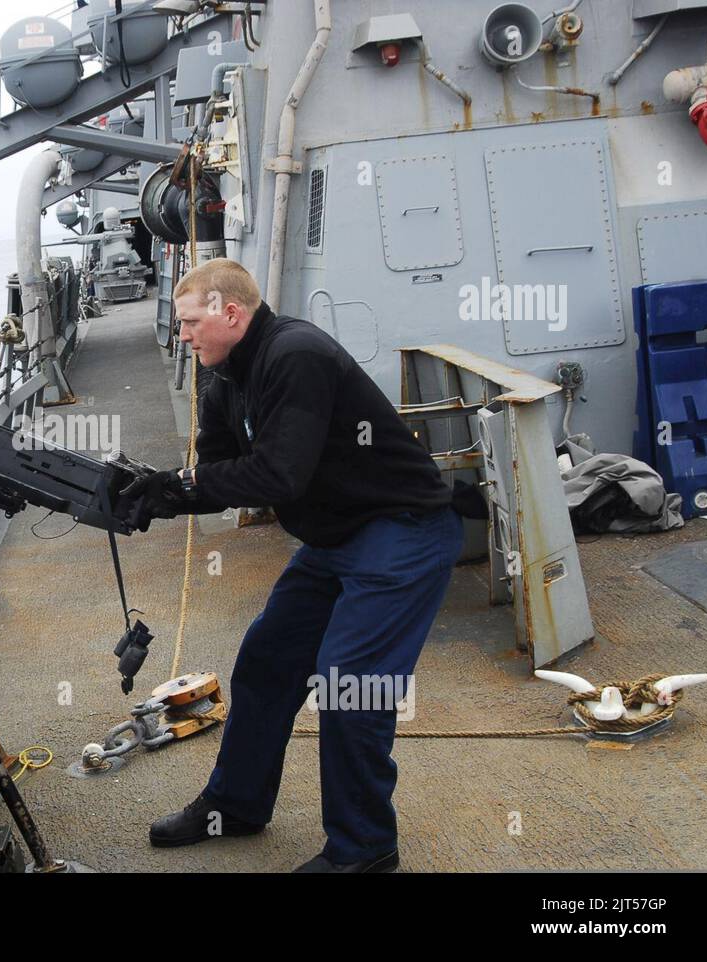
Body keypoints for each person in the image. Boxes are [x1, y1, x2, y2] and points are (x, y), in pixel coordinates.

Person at [121, 258, 463, 873]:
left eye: (192, 322)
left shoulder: (294, 355)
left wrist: (178, 487)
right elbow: (218, 474)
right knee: (265, 662)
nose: (184, 335)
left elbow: (280, 473)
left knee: (350, 684)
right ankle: (237, 805)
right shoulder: (223, 374)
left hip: (400, 532)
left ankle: (364, 850)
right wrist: (153, 493)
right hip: (334, 539)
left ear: (232, 312)